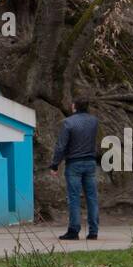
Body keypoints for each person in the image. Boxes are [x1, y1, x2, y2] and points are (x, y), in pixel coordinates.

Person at [48, 98, 99, 240]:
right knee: (92, 197)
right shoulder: (94, 121)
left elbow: (61, 146)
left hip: (74, 164)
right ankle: (93, 231)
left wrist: (55, 164)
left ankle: (74, 230)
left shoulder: (68, 123)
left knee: (74, 197)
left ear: (74, 106)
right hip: (90, 162)